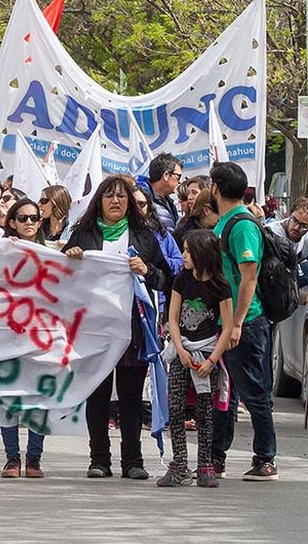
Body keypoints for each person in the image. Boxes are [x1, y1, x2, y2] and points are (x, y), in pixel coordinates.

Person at [63, 174, 171, 480]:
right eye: (109, 196)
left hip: (132, 329)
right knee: (97, 397)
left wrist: (147, 270)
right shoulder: (83, 235)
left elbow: (166, 278)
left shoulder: (144, 236)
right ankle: (99, 459)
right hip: (93, 331)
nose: (115, 201)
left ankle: (133, 461)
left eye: (121, 197)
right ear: (99, 201)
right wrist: (70, 259)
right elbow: (60, 275)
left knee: (131, 398)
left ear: (130, 204)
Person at [209, 161, 278, 481]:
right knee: (224, 395)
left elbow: (248, 277)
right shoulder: (225, 222)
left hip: (245, 324)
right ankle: (216, 457)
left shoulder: (242, 226)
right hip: (227, 323)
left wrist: (236, 324)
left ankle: (266, 459)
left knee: (254, 394)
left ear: (216, 189)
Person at [157, 229, 234, 488]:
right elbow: (173, 319)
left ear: (202, 253)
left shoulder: (220, 285)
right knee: (176, 407)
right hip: (183, 352)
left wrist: (212, 360)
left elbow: (227, 326)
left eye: (188, 251)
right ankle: (179, 464)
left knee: (205, 412)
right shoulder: (181, 279)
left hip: (207, 352)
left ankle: (205, 465)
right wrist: (180, 350)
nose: (183, 256)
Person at [0, 198, 48, 476]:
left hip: (40, 336)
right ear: (12, 222)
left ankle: (34, 459)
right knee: (9, 397)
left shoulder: (52, 252)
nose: (29, 222)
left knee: (38, 398)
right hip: (7, 334)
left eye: (34, 218)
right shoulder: (0, 251)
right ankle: (12, 458)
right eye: (23, 217)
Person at [139, 153, 183, 233]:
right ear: (166, 175)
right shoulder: (141, 200)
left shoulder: (169, 202)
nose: (179, 181)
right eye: (178, 176)